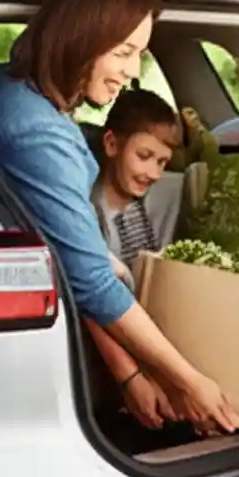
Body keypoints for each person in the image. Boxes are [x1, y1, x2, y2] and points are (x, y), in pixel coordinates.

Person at [0, 0, 239, 435]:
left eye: (139, 54)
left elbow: (69, 260)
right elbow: (89, 283)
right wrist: (188, 381)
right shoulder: (38, 135)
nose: (132, 71)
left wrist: (129, 367)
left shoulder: (7, 86)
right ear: (82, 37)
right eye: (123, 51)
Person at [83, 88, 188, 430]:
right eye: (144, 156)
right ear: (112, 145)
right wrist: (132, 377)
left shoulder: (170, 193)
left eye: (161, 162)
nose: (153, 173)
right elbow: (90, 299)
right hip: (109, 343)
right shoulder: (86, 210)